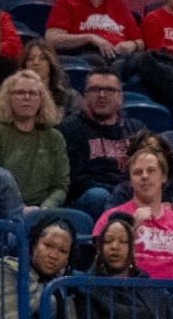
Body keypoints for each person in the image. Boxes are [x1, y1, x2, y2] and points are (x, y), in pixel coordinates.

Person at [94, 136, 173, 280]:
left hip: (172, 299)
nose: (144, 176)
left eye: (151, 171)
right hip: (128, 295)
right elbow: (100, 270)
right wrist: (131, 228)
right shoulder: (111, 218)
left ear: (164, 177)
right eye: (137, 172)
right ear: (130, 182)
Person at [58, 66, 142, 212]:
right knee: (99, 195)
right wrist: (120, 191)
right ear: (85, 96)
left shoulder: (136, 128)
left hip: (131, 192)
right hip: (91, 199)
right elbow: (74, 180)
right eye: (95, 89)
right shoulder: (71, 127)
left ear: (120, 98)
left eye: (109, 90)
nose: (102, 95)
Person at [0, 70, 68, 209]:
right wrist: (19, 208)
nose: (27, 97)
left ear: (42, 99)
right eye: (20, 92)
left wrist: (45, 208)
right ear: (8, 98)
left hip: (44, 211)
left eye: (33, 93)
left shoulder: (54, 137)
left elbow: (61, 186)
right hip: (2, 209)